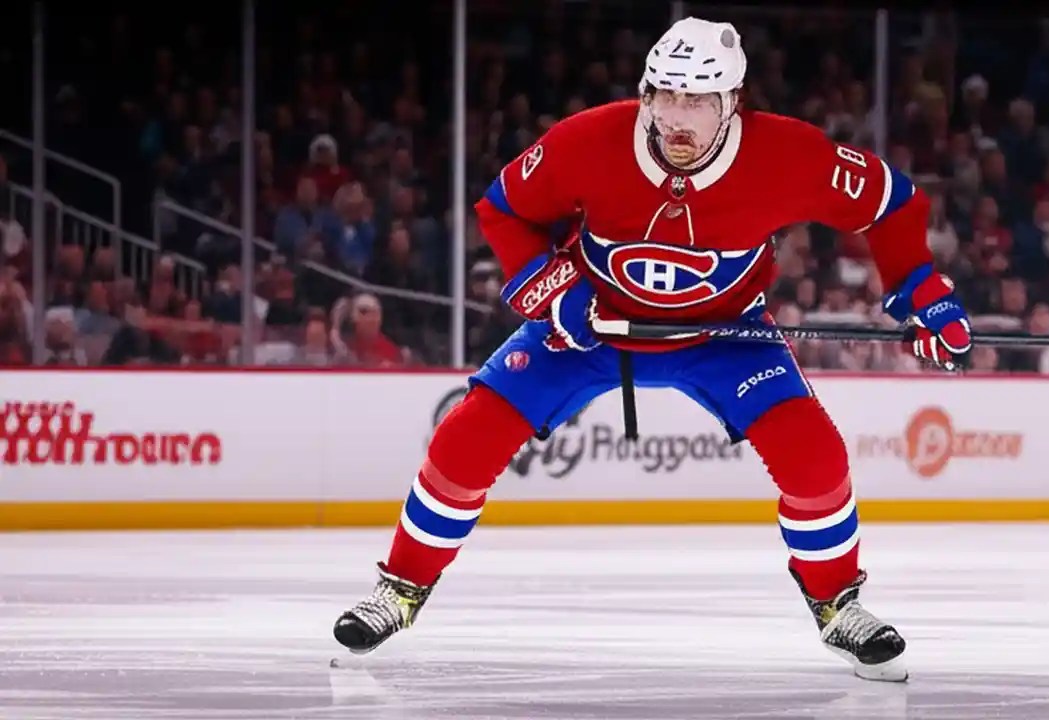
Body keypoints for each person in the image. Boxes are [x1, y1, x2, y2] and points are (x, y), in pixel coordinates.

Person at [332, 17, 972, 683]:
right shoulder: (588, 140)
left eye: (697, 101)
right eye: (665, 96)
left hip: (724, 334)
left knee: (815, 459)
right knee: (465, 440)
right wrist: (554, 291)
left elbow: (892, 203)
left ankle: (838, 604)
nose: (676, 119)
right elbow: (503, 208)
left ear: (732, 103)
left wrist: (921, 290)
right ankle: (399, 590)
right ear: (645, 94)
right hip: (589, 327)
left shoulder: (789, 155)